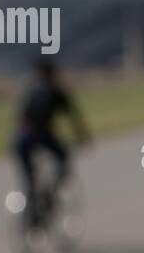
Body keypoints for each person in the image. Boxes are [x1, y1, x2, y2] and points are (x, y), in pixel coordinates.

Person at [12, 59, 90, 226]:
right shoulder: (56, 91)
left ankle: (32, 206)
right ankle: (52, 194)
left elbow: (20, 118)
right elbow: (74, 117)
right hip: (43, 135)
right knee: (63, 156)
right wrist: (82, 136)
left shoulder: (30, 90)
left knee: (29, 180)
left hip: (22, 139)